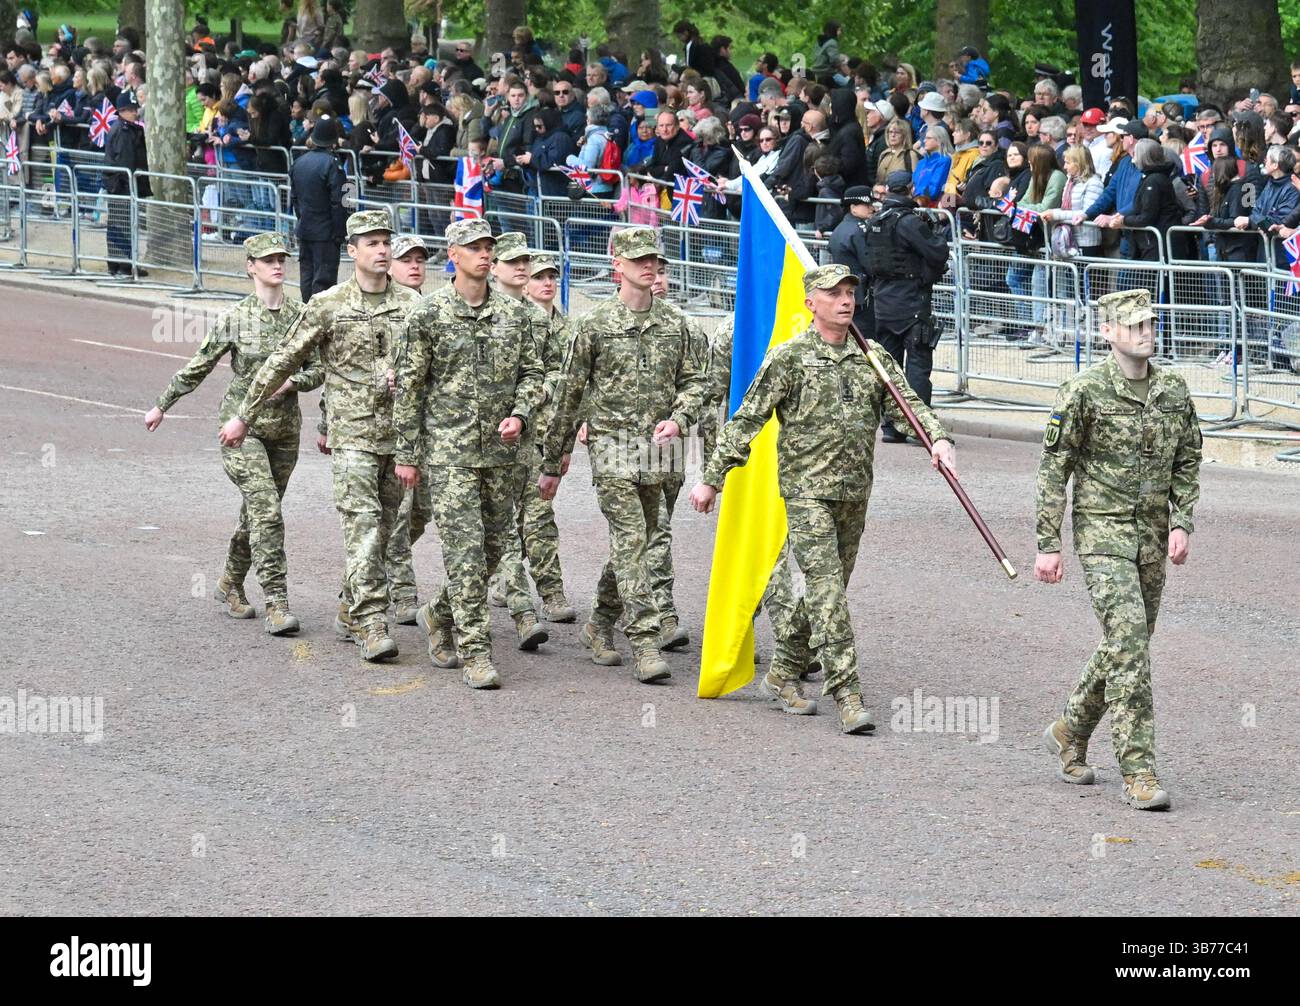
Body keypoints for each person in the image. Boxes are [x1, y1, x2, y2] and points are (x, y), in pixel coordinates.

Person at [690, 264, 956, 734]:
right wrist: (712, 479)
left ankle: (784, 671)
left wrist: (936, 439)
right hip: (806, 492)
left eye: (851, 291)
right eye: (834, 293)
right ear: (811, 303)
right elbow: (747, 419)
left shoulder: (872, 357)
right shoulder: (789, 358)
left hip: (854, 493)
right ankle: (847, 694)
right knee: (828, 592)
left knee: (822, 596)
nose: (846, 300)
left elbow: (909, 406)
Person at [222, 210, 421, 663]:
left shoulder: (412, 305)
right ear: (352, 252)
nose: (383, 250)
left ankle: (351, 609)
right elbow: (281, 362)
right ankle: (372, 624)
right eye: (371, 242)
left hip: (398, 438)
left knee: (386, 530)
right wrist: (244, 416)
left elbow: (431, 366)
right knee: (364, 528)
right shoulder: (329, 304)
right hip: (351, 438)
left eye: (385, 241)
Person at [1037, 288, 1202, 811]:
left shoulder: (1173, 389)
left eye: (1150, 323)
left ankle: (1071, 728)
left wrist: (1183, 522)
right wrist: (1048, 543)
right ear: (1107, 333)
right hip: (1102, 533)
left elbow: (1188, 458)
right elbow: (1053, 471)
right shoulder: (1083, 392)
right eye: (1133, 326)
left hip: (1152, 535)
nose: (1146, 333)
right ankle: (1139, 771)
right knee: (1130, 644)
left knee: (1126, 647)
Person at [537, 227, 708, 684]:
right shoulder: (594, 326)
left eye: (655, 261)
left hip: (661, 452)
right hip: (612, 449)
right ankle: (646, 641)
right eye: (639, 261)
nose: (650, 268)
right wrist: (553, 463)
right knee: (632, 539)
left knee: (640, 543)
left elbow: (697, 383)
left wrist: (681, 417)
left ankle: (598, 623)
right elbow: (569, 396)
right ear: (619, 268)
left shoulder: (678, 323)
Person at [393, 219, 543, 689]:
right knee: (464, 554)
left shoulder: (515, 316)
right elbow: (410, 388)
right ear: (452, 254)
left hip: (502, 456)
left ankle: (437, 614)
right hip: (449, 452)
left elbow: (534, 373)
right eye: (474, 247)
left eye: (488, 248)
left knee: (495, 552)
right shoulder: (429, 314)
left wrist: (520, 413)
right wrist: (407, 453)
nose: (484, 254)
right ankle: (476, 651)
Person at [145, 233, 320, 636]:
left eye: (282, 258)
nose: (278, 265)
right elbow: (199, 365)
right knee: (268, 512)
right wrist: (161, 405)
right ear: (250, 266)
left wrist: (293, 382)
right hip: (241, 428)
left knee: (257, 515)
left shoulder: (302, 315)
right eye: (268, 259)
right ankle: (277, 603)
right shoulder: (236, 317)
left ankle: (229, 582)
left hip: (285, 431)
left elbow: (320, 369)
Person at [863, 171, 951, 443]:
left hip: (884, 302)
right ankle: (918, 428)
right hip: (912, 301)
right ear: (911, 189)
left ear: (889, 189)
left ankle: (891, 426)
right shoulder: (909, 222)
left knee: (890, 367)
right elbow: (938, 251)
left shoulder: (875, 221)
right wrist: (935, 231)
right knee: (917, 365)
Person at [289, 115, 346, 300]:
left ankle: (306, 312)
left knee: (307, 274)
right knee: (324, 279)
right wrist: (340, 231)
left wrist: (302, 219)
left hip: (305, 228)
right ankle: (318, 320)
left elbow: (294, 198)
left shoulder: (299, 162)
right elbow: (340, 202)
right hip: (326, 232)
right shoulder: (333, 164)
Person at [829, 186, 877, 338]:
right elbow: (870, 264)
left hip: (844, 291)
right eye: (866, 205)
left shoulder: (840, 228)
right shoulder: (859, 230)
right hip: (861, 295)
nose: (871, 208)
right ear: (853, 207)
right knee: (866, 339)